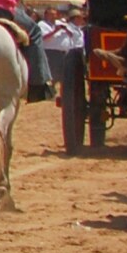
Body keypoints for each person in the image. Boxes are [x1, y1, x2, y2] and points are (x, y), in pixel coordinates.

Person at [43, 9, 91, 153]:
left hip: (72, 53)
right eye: (79, 18)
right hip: (57, 54)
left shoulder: (76, 29)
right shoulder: (44, 25)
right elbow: (43, 38)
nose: (81, 20)